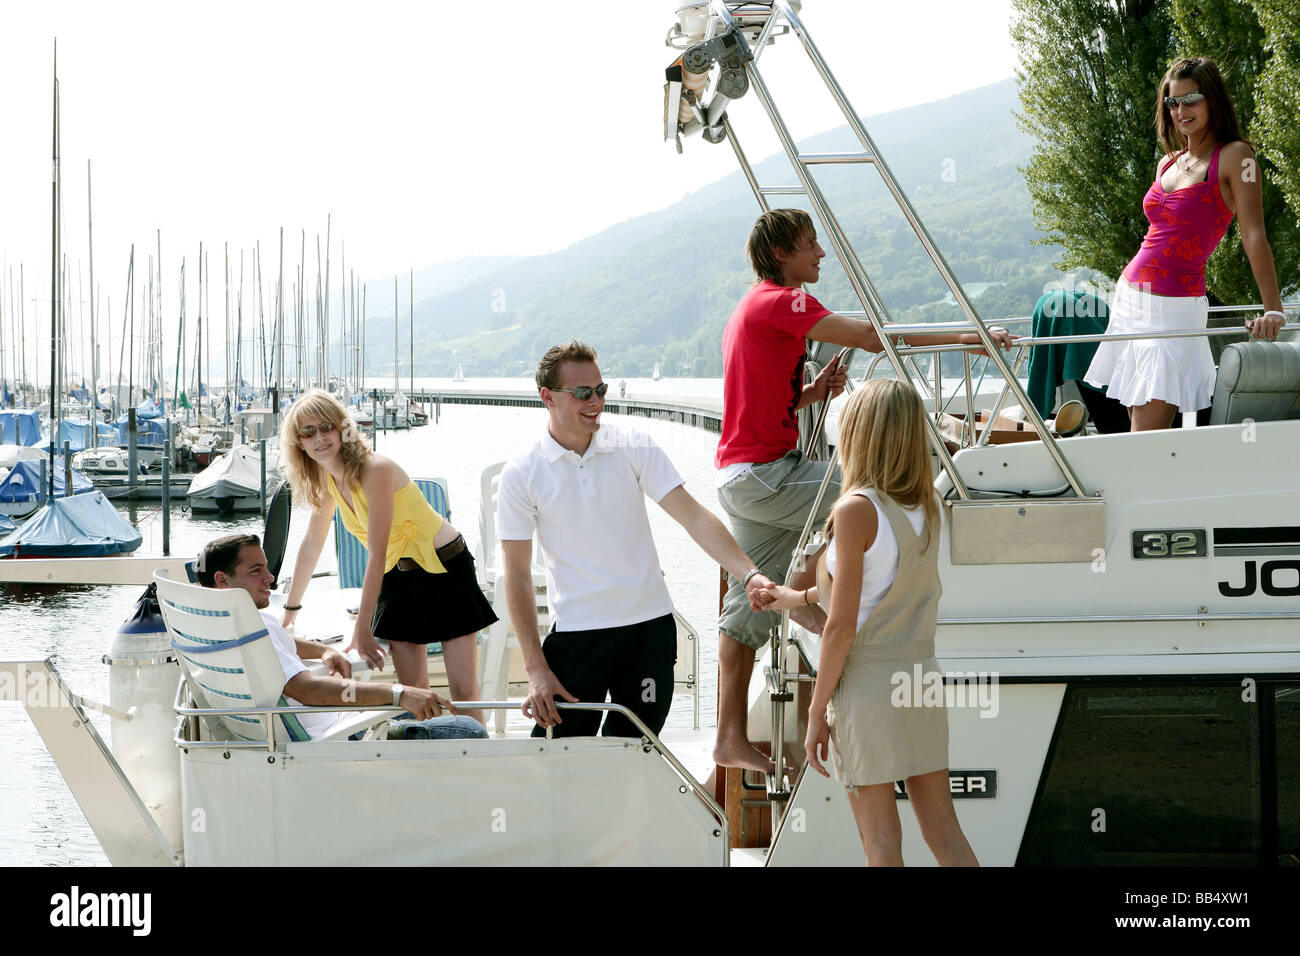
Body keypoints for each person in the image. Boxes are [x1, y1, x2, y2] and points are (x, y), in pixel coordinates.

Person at [714, 207, 1015, 774]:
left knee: (745, 605)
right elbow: (875, 337)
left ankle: (729, 734)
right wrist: (968, 338)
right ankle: (818, 615)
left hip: (740, 475)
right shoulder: (786, 301)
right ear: (782, 255)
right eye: (810, 245)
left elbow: (761, 403)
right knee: (867, 507)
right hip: (767, 475)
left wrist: (812, 392)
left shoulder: (750, 305)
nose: (820, 254)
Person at [497, 341, 777, 739]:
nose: (596, 401)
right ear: (548, 398)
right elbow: (517, 575)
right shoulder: (522, 473)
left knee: (634, 753)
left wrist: (749, 575)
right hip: (578, 636)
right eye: (582, 393)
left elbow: (693, 516)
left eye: (601, 390)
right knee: (561, 765)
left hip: (649, 632)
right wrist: (536, 668)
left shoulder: (633, 445)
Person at [759, 380, 977, 866]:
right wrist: (797, 596)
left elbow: (841, 627)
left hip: (869, 688)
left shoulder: (856, 509)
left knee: (879, 845)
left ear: (860, 434)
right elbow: (878, 587)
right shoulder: (928, 505)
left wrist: (816, 712)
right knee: (945, 833)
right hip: (920, 678)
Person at [1085, 56, 1287, 432]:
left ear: (1213, 100)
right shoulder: (1169, 162)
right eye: (1173, 102)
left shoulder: (1237, 157)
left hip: (1173, 310)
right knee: (1136, 431)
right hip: (1131, 299)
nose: (1181, 110)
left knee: (1144, 440)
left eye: (1191, 99)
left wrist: (1273, 308)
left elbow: (1253, 233)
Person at [279, 388, 495, 726]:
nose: (320, 437)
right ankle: (429, 764)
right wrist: (290, 612)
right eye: (308, 431)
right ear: (299, 443)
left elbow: (376, 554)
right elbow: (311, 544)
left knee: (463, 690)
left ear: (342, 428)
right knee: (413, 692)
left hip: (445, 568)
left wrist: (362, 631)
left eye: (326, 427)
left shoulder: (375, 469)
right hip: (398, 578)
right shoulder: (325, 478)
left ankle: (481, 765)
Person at [197, 533, 486, 741]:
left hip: (296, 733)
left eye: (267, 568)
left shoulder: (216, 623)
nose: (270, 577)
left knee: (426, 713)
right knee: (468, 730)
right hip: (340, 737)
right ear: (223, 580)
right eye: (256, 571)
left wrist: (322, 651)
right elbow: (310, 692)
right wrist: (398, 693)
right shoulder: (255, 622)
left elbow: (273, 645)